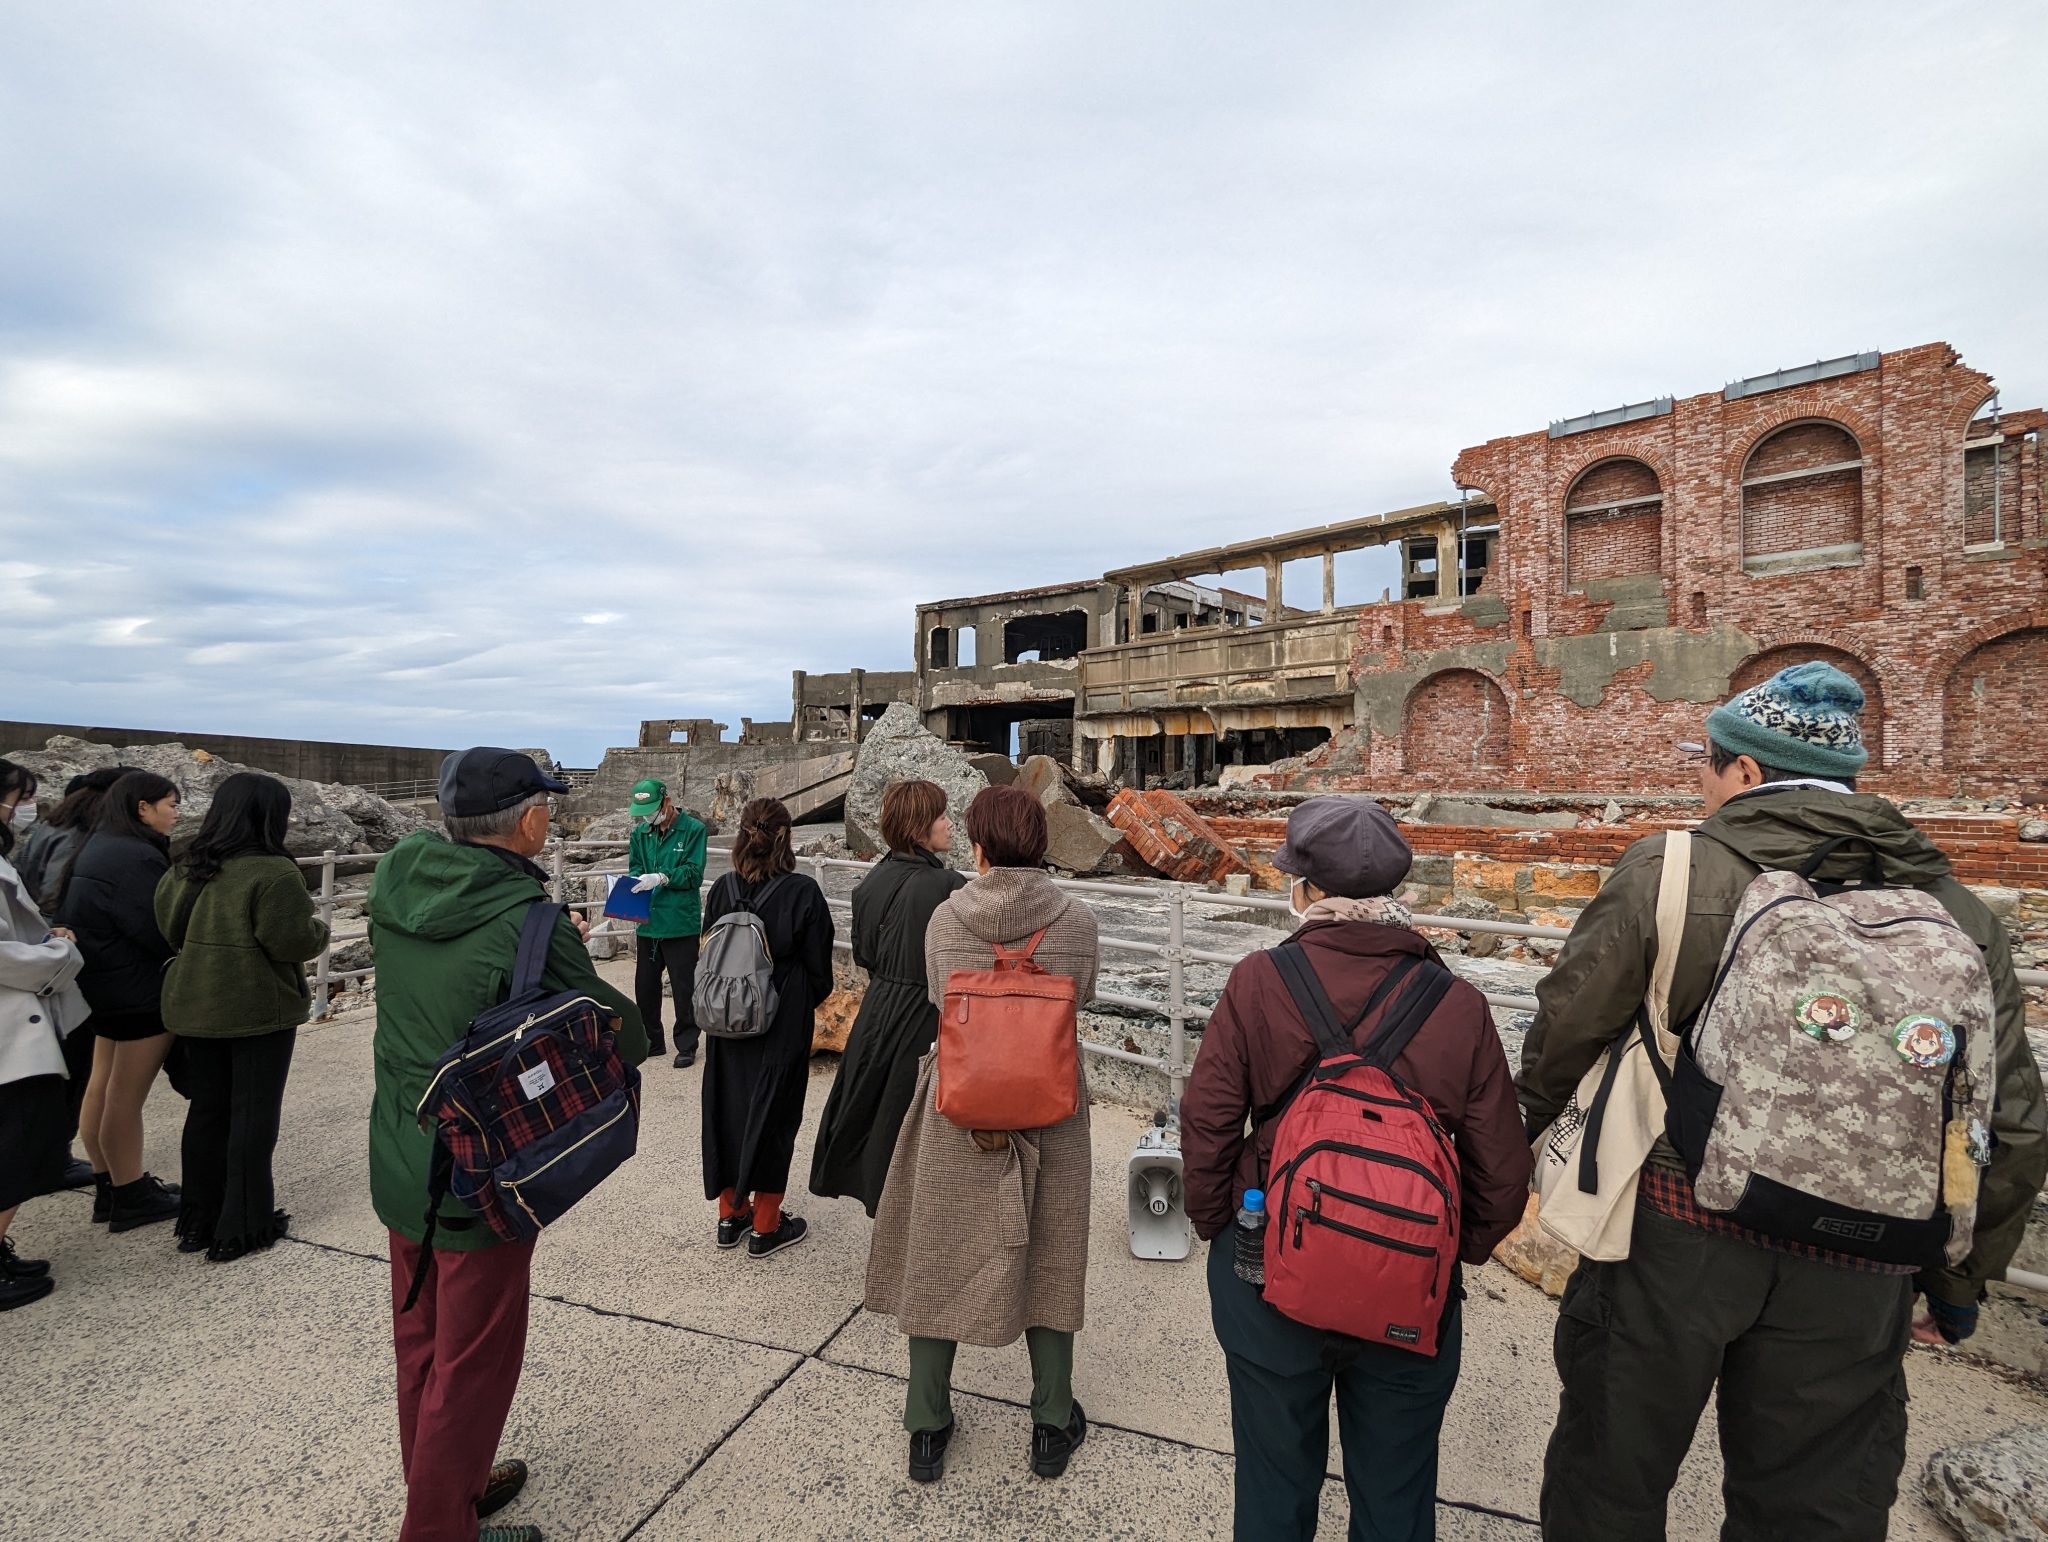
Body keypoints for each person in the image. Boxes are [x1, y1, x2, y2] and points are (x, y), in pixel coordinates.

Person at [1520, 662, 2047, 1541]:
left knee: (1611, 1471)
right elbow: (2011, 1124)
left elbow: (1564, 1030)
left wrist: (1515, 1157)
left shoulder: (1674, 869)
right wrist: (1957, 1283)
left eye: (1710, 764)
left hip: (1676, 1230)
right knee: (1815, 1504)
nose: (1704, 782)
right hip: (1864, 1259)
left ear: (1749, 772)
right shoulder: (1954, 908)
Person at [1181, 795, 1532, 1541]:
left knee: (1274, 1486)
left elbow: (1207, 1124)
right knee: (1396, 1497)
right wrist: (1439, 1254)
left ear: (1306, 891)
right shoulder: (1459, 1003)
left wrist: (1221, 1230)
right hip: (1410, 1288)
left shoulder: (1257, 981)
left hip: (1270, 1267)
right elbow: (1503, 1173)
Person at [367, 747, 646, 1542]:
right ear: (528, 820)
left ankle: (442, 1484)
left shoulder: (394, 886)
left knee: (418, 1331)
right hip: (479, 1168)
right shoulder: (530, 920)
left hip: (399, 1149)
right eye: (546, 808)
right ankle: (438, 1528)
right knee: (476, 1358)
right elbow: (613, 1030)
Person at [864, 784, 1099, 1485]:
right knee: (1052, 1256)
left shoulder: (946, 918)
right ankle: (1052, 1422)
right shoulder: (1077, 920)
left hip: (960, 1104)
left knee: (938, 1251)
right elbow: (1081, 996)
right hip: (1052, 1109)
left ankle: (927, 1425)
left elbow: (941, 999)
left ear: (980, 845)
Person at [155, 772, 329, 1262]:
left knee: (207, 1111)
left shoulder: (186, 864)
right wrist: (319, 931)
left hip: (193, 1002)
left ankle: (197, 1219)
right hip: (256, 1008)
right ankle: (243, 1224)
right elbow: (292, 940)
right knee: (252, 1116)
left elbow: (168, 928)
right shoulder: (271, 871)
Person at [809, 779, 966, 1215]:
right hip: (923, 1012)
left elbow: (865, 954)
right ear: (920, 827)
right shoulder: (948, 885)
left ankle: (884, 1206)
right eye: (941, 816)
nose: (950, 824)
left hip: (877, 1008)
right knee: (914, 1118)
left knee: (871, 1109)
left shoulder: (872, 879)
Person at [699, 797, 834, 1257]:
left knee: (725, 1108)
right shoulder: (803, 893)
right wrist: (800, 999)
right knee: (775, 1115)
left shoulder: (721, 889)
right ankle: (765, 1223)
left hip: (725, 1016)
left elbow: (708, 949)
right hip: (780, 1014)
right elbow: (820, 968)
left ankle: (728, 1215)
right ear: (786, 837)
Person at [57, 769, 183, 1232]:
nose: (176, 813)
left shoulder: (97, 845)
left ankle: (108, 1183)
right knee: (125, 1097)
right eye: (170, 804)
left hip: (103, 986)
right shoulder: (136, 857)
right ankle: (132, 1193)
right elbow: (156, 928)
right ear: (142, 808)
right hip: (137, 991)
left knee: (103, 1086)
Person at [0, 759, 91, 1309]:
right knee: (19, 1140)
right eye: (19, 794)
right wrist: (56, 952)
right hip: (12, 1022)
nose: (23, 804)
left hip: (18, 1014)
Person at [14, 765, 131, 1193]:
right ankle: (53, 1157)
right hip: (64, 962)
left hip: (39, 962)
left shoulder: (47, 827)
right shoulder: (84, 839)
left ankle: (51, 1154)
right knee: (74, 1063)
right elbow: (57, 897)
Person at [625, 777, 708, 1068]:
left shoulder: (694, 830)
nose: (647, 816)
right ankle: (652, 1040)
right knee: (644, 986)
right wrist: (637, 879)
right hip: (648, 921)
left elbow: (693, 873)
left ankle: (686, 1043)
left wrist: (662, 877)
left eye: (651, 809)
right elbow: (635, 865)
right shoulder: (640, 834)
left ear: (666, 802)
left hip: (679, 922)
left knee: (684, 987)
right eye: (642, 811)